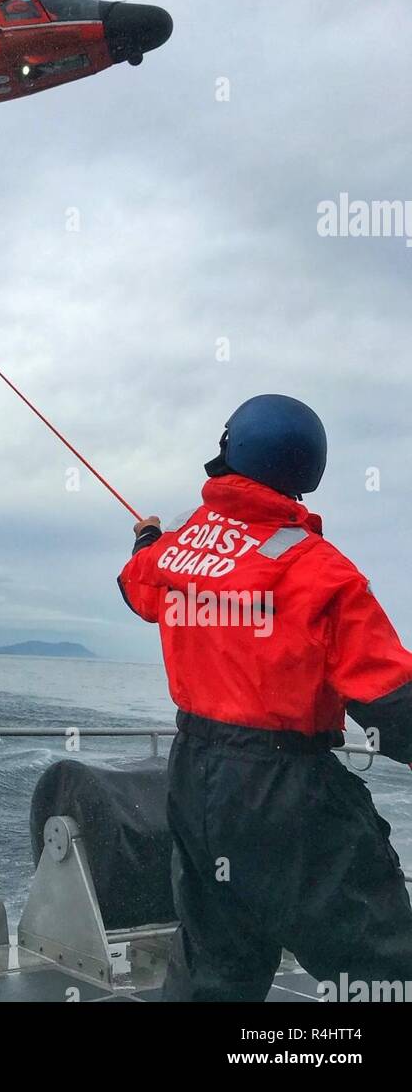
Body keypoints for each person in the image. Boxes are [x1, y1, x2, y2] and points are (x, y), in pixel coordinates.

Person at [118, 394, 412, 1001]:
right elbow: (391, 703)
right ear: (307, 474)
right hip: (285, 796)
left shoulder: (176, 551)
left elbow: (138, 586)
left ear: (229, 451)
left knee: (217, 969)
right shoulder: (321, 571)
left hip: (196, 783)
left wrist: (147, 543)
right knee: (385, 969)